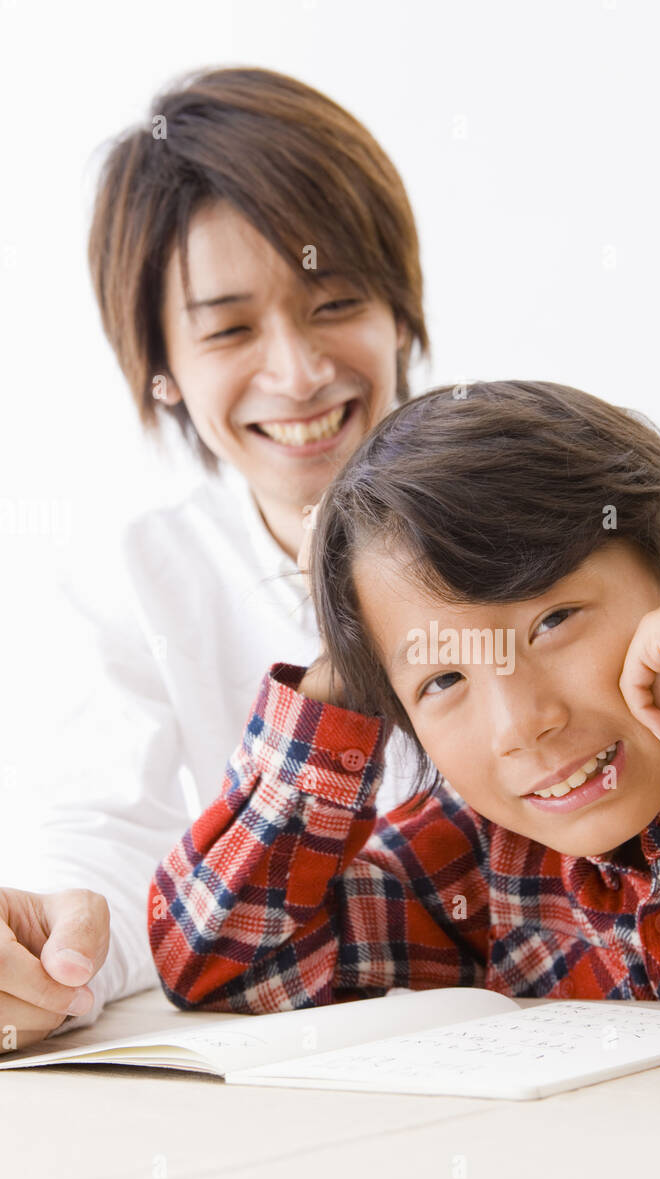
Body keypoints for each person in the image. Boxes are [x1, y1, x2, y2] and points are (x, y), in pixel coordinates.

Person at [148, 381, 660, 1024]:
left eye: (552, 622)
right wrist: (345, 682)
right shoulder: (485, 865)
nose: (523, 724)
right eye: (443, 683)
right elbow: (226, 963)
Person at [1, 66, 428, 1051]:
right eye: (230, 328)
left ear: (399, 310)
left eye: (334, 303)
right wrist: (61, 946)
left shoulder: (533, 511)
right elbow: (111, 846)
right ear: (159, 368)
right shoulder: (139, 576)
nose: (298, 372)